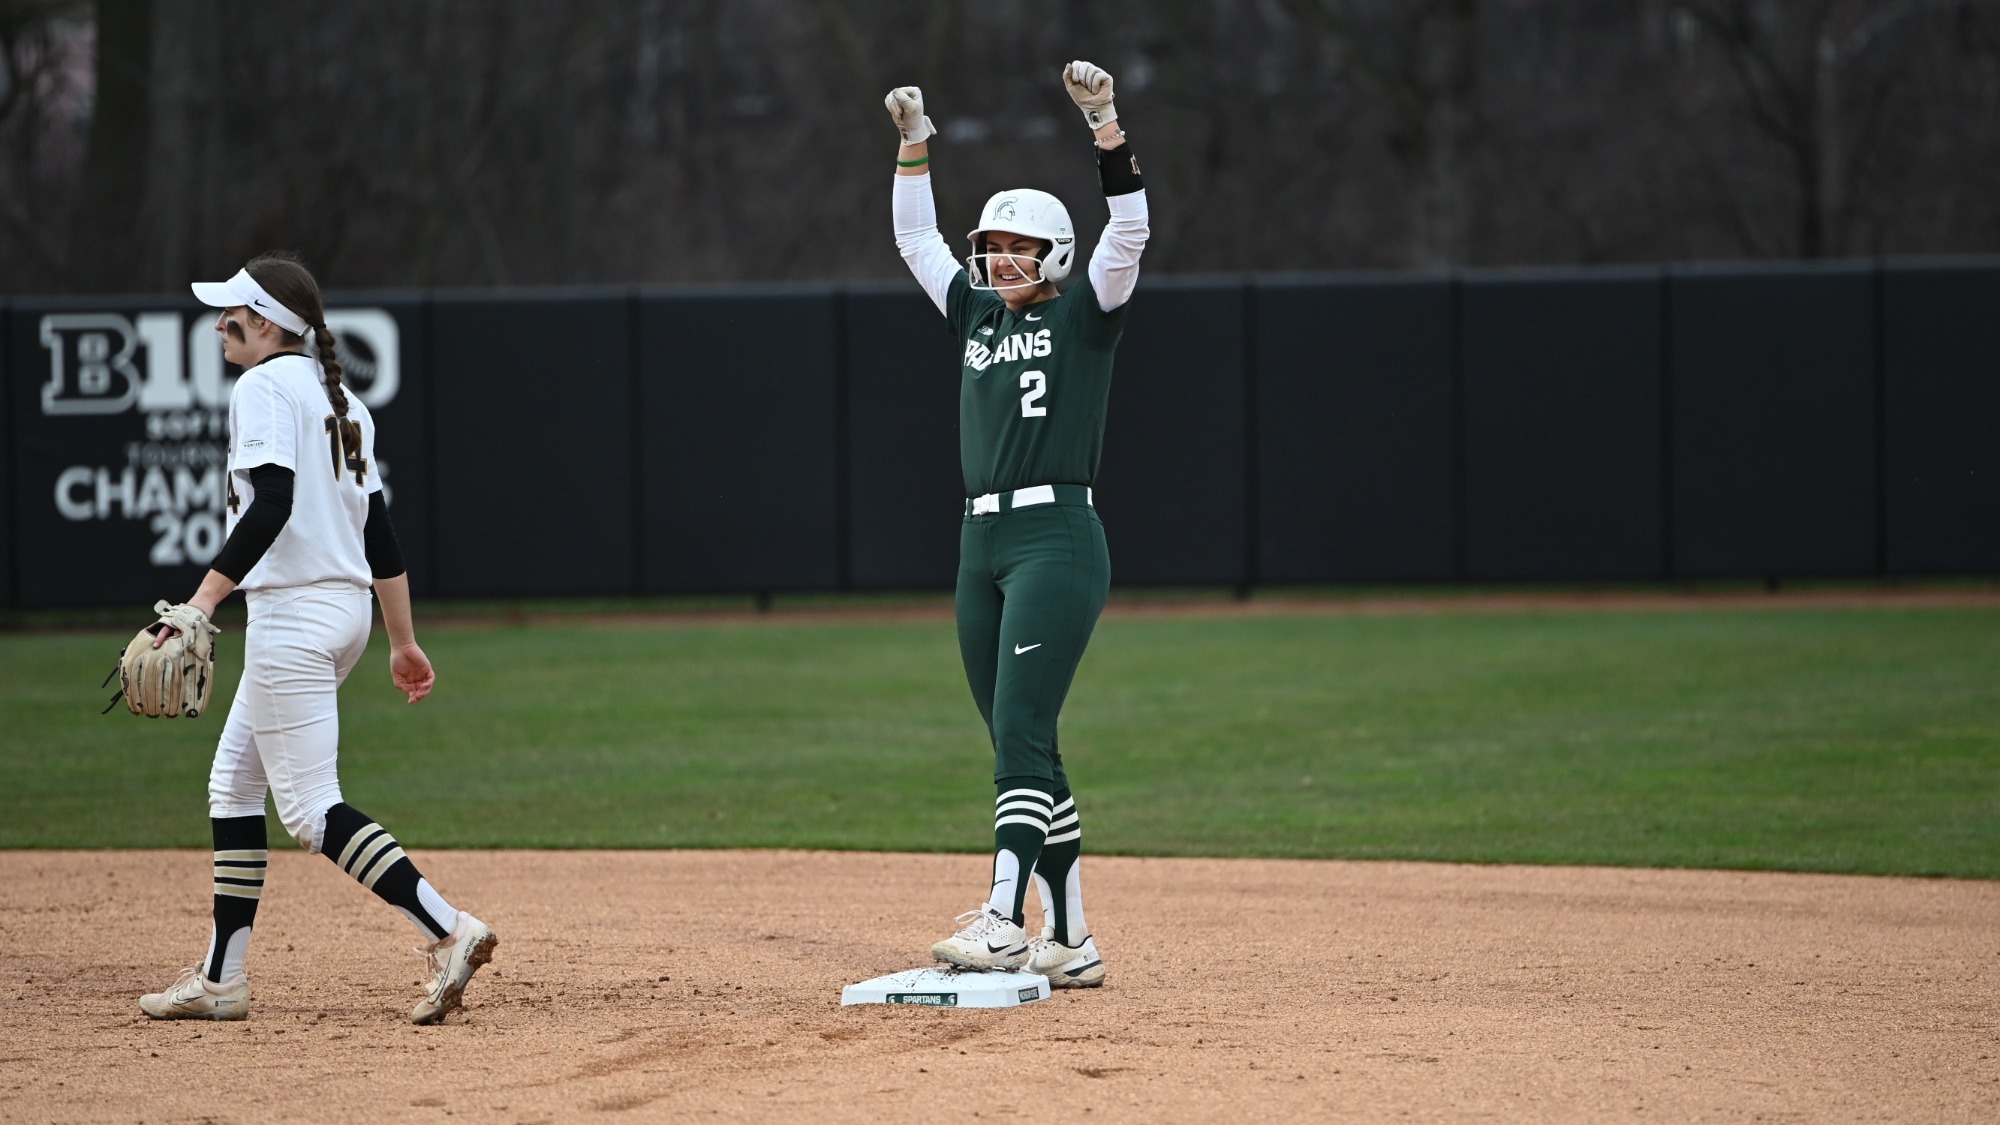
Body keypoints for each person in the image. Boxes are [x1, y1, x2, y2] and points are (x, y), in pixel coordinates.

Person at [136, 252, 496, 1024]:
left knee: (308, 808)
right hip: (344, 614)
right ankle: (222, 977)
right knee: (233, 781)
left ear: (266, 321)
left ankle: (447, 925)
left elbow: (269, 505)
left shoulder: (263, 385)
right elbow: (382, 532)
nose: (222, 322)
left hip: (293, 616)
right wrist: (401, 638)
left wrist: (197, 604)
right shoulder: (343, 402)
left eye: (232, 312)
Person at [884, 61, 1148, 989]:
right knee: (1018, 736)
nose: (999, 259)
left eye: (1017, 245)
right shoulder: (973, 315)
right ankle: (1071, 939)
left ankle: (1003, 916)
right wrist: (915, 148)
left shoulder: (1087, 314)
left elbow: (1132, 227)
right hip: (979, 543)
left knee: (1022, 735)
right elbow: (914, 237)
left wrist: (1105, 127)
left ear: (1054, 255)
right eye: (991, 244)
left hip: (1056, 538)